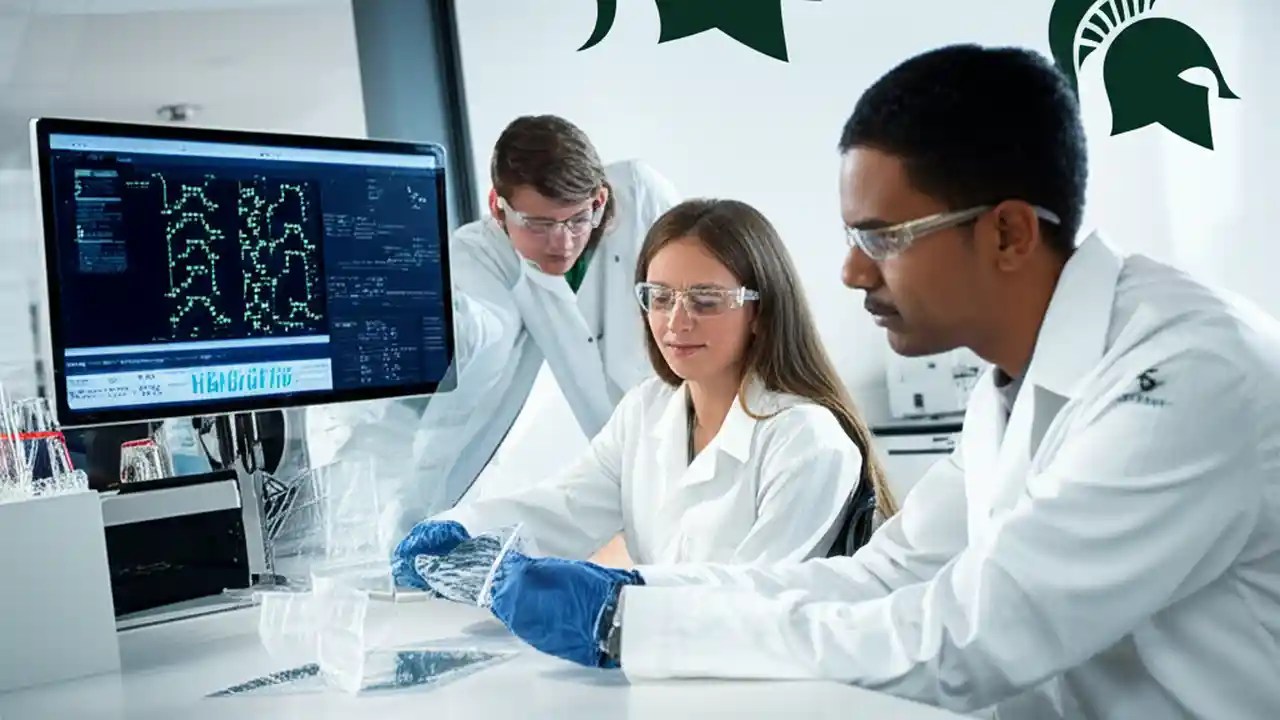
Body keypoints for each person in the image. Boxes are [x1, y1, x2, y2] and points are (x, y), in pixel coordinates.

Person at [479, 44, 1280, 719]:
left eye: (884, 237)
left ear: (1007, 232)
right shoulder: (1011, 383)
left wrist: (631, 624)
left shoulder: (1187, 373)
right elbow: (885, 574)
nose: (853, 271)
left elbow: (964, 637)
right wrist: (637, 594)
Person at [392, 199, 895, 586]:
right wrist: (461, 529)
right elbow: (562, 508)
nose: (676, 321)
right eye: (659, 297)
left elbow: (751, 596)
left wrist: (612, 593)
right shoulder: (647, 411)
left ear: (760, 311)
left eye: (705, 299)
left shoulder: (806, 440)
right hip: (664, 668)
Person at [305, 115, 680, 555]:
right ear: (498, 207)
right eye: (538, 224)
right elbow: (482, 330)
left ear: (598, 200)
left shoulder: (640, 196)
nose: (561, 242)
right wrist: (413, 310)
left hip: (680, 441)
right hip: (622, 472)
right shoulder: (480, 255)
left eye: (577, 219)